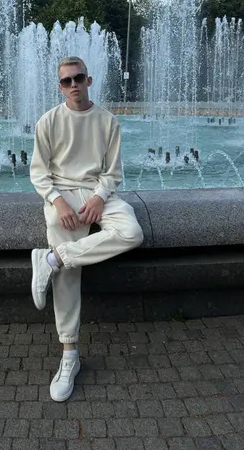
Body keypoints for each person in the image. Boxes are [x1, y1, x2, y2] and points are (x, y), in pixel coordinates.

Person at [29, 56, 144, 402]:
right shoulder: (48, 121)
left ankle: (52, 258)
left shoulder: (108, 121)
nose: (73, 85)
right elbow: (39, 173)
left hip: (99, 195)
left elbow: (113, 172)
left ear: (89, 80)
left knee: (132, 232)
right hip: (63, 195)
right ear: (60, 86)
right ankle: (69, 354)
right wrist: (57, 201)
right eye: (66, 81)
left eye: (78, 78)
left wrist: (98, 197)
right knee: (67, 269)